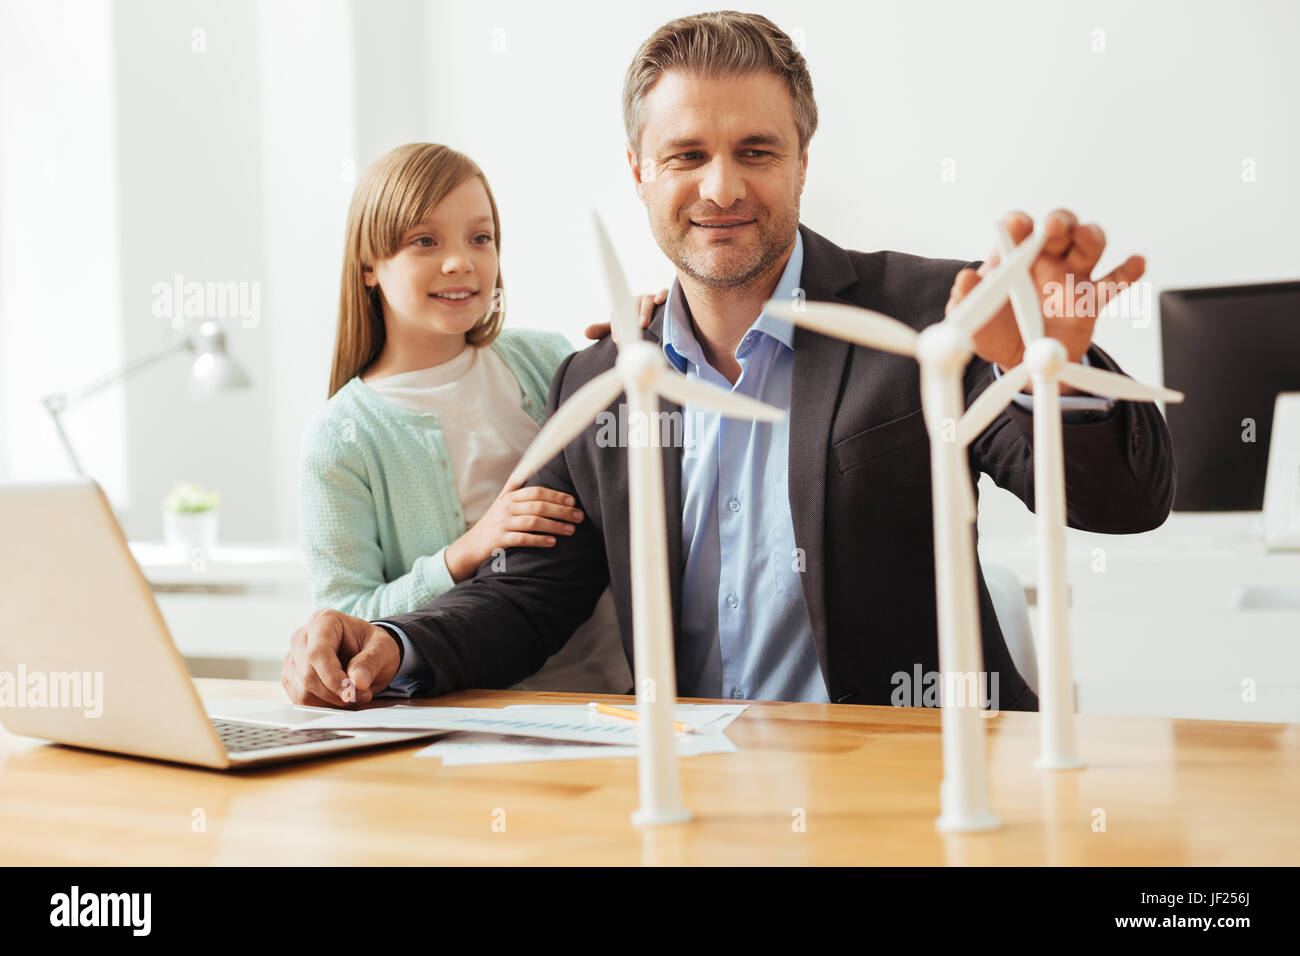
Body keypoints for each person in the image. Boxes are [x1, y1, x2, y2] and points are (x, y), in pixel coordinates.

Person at [282, 12, 1174, 712]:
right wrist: (397, 646)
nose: (720, 188)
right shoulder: (599, 383)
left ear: (801, 163)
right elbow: (531, 600)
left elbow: (1124, 502)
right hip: (687, 796)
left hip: (915, 784)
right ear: (637, 170)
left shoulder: (938, 318)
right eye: (686, 155)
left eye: (756, 151)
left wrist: (1051, 375)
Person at [298, 142, 662, 695]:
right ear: (369, 266)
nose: (461, 262)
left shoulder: (544, 361)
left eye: (480, 238)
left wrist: (653, 335)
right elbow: (350, 617)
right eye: (425, 241)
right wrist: (463, 553)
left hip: (615, 696)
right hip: (474, 710)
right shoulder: (341, 437)